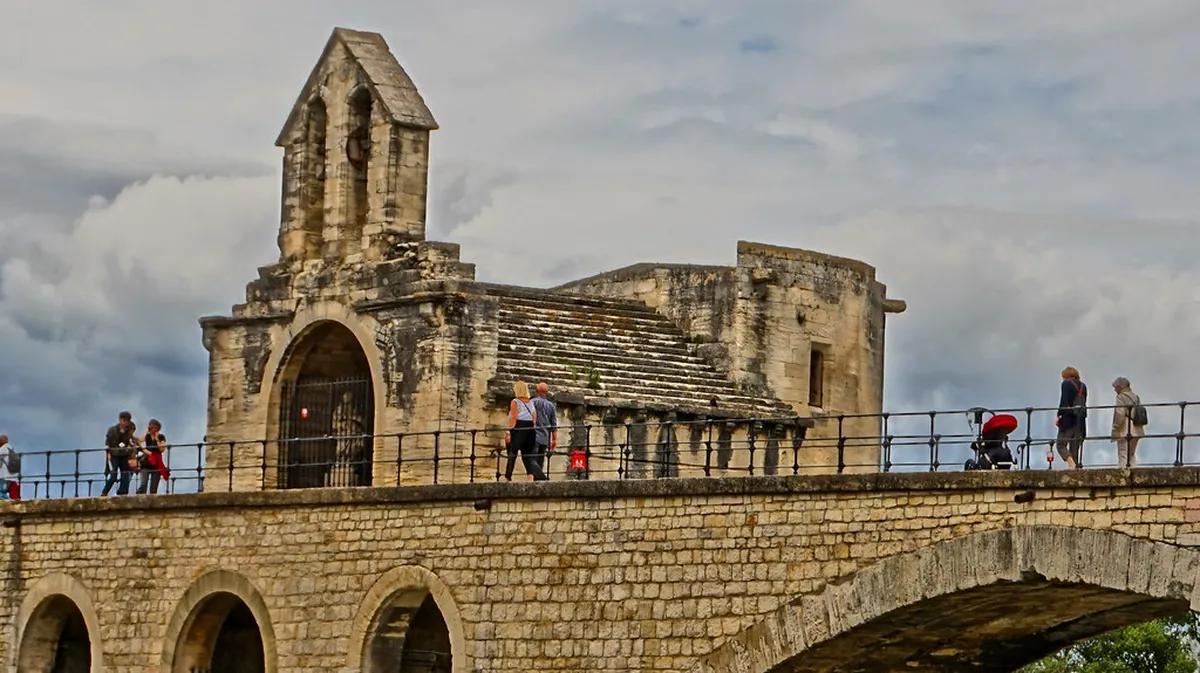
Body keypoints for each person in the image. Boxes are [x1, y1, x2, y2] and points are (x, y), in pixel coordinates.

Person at [505, 380, 547, 481]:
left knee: (512, 452)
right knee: (527, 455)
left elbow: (513, 418)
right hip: (530, 429)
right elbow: (534, 418)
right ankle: (530, 477)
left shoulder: (515, 401)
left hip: (519, 427)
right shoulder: (530, 403)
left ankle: (508, 476)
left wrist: (509, 432)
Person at [1055, 367, 1088, 469]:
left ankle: (1071, 464)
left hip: (1068, 419)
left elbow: (1064, 401)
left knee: (1060, 444)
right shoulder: (1083, 386)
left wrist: (1059, 415)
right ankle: (1075, 469)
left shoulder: (1066, 384)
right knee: (1074, 448)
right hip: (1080, 420)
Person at [1111, 377, 1146, 468]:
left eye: (1116, 387)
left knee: (1123, 452)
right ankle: (1133, 471)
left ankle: (1123, 472)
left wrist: (1116, 427)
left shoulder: (1121, 397)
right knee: (1131, 453)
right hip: (1137, 427)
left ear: (1121, 386)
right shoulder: (1135, 397)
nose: (1115, 389)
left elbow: (1120, 413)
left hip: (1125, 428)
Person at [102, 411, 140, 496]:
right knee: (113, 475)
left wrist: (131, 447)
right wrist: (108, 454)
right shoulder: (112, 430)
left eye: (127, 421)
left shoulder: (128, 431)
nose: (125, 423)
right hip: (114, 455)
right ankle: (104, 492)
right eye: (124, 421)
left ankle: (123, 493)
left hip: (124, 455)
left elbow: (131, 441)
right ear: (120, 420)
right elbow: (107, 444)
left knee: (125, 474)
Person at [137, 419, 171, 494]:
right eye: (151, 427)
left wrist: (157, 439)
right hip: (146, 462)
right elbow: (139, 440)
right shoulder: (147, 436)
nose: (153, 429)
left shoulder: (161, 437)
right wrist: (147, 432)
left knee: (153, 488)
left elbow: (162, 449)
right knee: (143, 485)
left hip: (156, 463)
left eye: (155, 428)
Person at [531, 381, 558, 473]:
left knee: (532, 459)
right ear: (546, 392)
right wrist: (554, 439)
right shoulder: (551, 406)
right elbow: (554, 424)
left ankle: (532, 477)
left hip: (533, 435)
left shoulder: (532, 403)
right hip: (545, 437)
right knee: (540, 460)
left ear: (537, 391)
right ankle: (538, 479)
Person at [0, 434, 18, 500]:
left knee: (1, 494)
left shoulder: (2, 449)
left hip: (4, 476)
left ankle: (6, 503)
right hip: (13, 477)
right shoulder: (12, 450)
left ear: (1, 441)